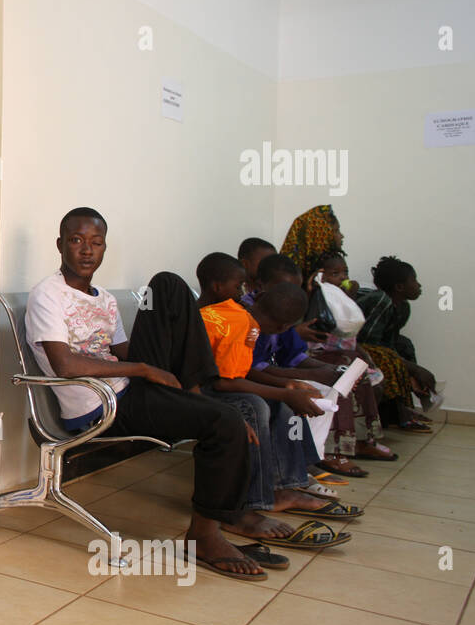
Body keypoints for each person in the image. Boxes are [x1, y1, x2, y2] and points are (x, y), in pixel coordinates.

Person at [26, 209, 290, 581]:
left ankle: (198, 390)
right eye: (76, 240)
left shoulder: (104, 299)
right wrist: (145, 369)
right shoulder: (47, 295)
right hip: (102, 406)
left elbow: (122, 351)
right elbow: (65, 364)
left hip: (132, 389)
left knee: (167, 286)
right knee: (226, 421)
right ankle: (204, 535)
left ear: (104, 249)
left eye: (96, 242)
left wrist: (161, 352)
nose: (87, 250)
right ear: (60, 245)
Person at [195, 252, 358, 538]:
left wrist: (287, 389)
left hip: (214, 384)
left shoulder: (245, 321)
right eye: (238, 287)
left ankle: (284, 487)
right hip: (197, 390)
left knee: (279, 405)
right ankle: (253, 502)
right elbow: (224, 383)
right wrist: (282, 392)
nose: (241, 292)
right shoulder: (240, 325)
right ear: (285, 328)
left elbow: (240, 372)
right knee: (257, 406)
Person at [248, 253, 393, 476]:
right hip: (256, 380)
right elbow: (251, 369)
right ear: (262, 286)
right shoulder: (253, 317)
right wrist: (303, 379)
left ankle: (313, 458)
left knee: (334, 380)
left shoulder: (283, 314)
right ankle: (308, 463)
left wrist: (326, 371)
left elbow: (295, 355)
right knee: (305, 394)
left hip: (273, 374)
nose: (293, 295)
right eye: (284, 288)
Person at [355, 255, 436, 432]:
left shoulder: (403, 307)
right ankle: (399, 412)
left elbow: (390, 341)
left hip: (375, 344)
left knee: (404, 345)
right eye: (414, 280)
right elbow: (368, 342)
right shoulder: (380, 301)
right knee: (387, 357)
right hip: (355, 344)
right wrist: (414, 369)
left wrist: (409, 372)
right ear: (399, 287)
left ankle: (407, 406)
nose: (419, 285)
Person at [280, 204, 345, 344]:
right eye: (336, 231)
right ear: (320, 235)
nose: (341, 236)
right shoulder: (288, 277)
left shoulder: (331, 271)